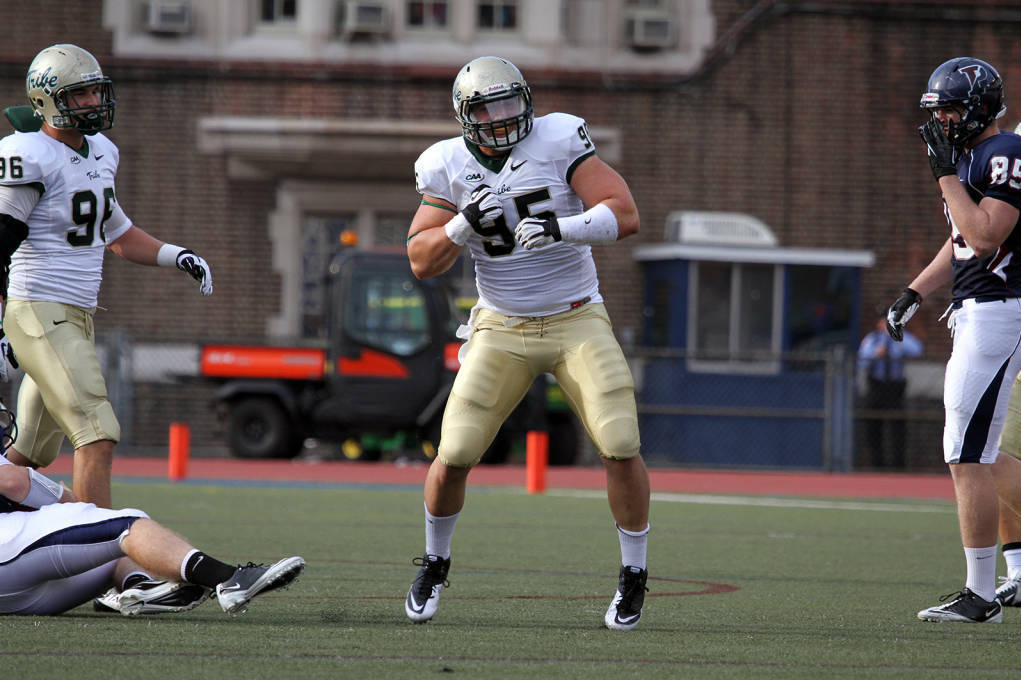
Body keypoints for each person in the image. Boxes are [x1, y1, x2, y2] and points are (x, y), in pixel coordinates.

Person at [403, 56, 650, 631]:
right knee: (456, 450)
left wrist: (562, 228)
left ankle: (633, 576)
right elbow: (420, 260)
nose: (504, 117)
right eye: (488, 108)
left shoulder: (560, 138)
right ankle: (434, 563)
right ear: (465, 116)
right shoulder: (447, 164)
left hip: (575, 317)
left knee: (619, 440)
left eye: (511, 101)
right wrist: (460, 226)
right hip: (501, 324)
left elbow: (626, 213)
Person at [0, 44, 213, 509]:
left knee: (24, 454)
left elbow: (115, 232)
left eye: (97, 92)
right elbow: (1, 242)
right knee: (97, 434)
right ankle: (102, 566)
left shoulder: (102, 152)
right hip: (39, 307)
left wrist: (176, 255)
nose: (95, 103)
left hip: (73, 315)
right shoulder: (27, 153)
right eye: (82, 95)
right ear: (49, 100)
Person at [887, 56, 1021, 623]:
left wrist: (945, 174)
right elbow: (960, 242)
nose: (942, 117)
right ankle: (1000, 580)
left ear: (981, 109)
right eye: (937, 108)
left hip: (998, 310)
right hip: (978, 310)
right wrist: (915, 291)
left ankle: (980, 594)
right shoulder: (973, 157)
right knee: (984, 455)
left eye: (951, 107)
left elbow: (985, 236)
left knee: (966, 453)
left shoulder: (1005, 153)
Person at [0, 423, 305, 616]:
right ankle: (228, 578)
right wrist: (62, 495)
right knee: (126, 526)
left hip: (15, 588)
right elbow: (14, 482)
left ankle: (142, 588)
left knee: (110, 548)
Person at [857, 310, 923, 468]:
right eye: (883, 323)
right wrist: (875, 354)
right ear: (878, 324)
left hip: (895, 388)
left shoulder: (901, 338)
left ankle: (898, 465)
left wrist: (896, 337)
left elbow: (917, 350)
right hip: (877, 385)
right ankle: (876, 465)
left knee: (897, 426)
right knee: (873, 426)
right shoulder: (872, 339)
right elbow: (862, 361)